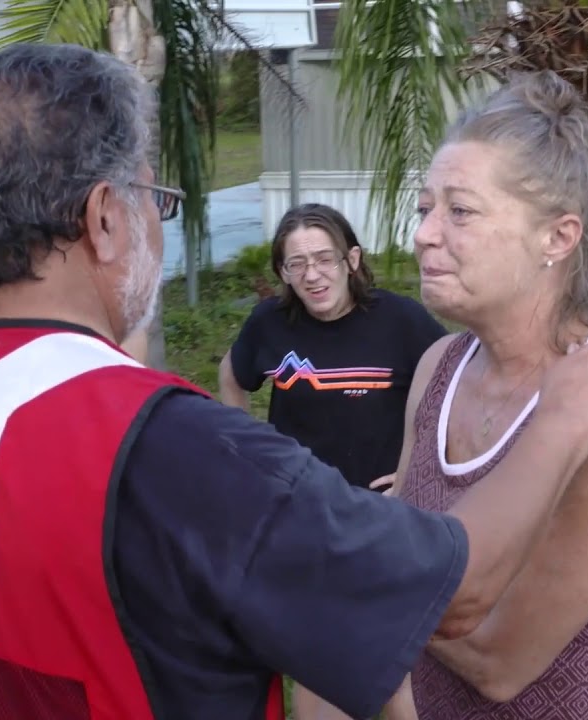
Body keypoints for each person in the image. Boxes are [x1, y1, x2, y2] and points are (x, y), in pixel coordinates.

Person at [0, 46, 588, 720]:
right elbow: (455, 599)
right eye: (157, 200)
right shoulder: (173, 453)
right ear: (107, 218)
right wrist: (570, 416)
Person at [386, 71, 588, 719]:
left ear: (558, 237)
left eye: (460, 211)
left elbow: (499, 660)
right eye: (425, 209)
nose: (423, 234)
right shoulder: (438, 369)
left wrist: (357, 557)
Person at [219, 203, 446, 719]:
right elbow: (233, 377)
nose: (312, 274)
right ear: (282, 273)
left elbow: (452, 388)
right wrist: (246, 461)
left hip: (382, 521)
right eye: (296, 264)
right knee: (319, 670)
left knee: (395, 674)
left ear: (352, 259)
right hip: (301, 520)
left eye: (324, 258)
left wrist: (419, 468)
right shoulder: (271, 323)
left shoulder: (400, 321)